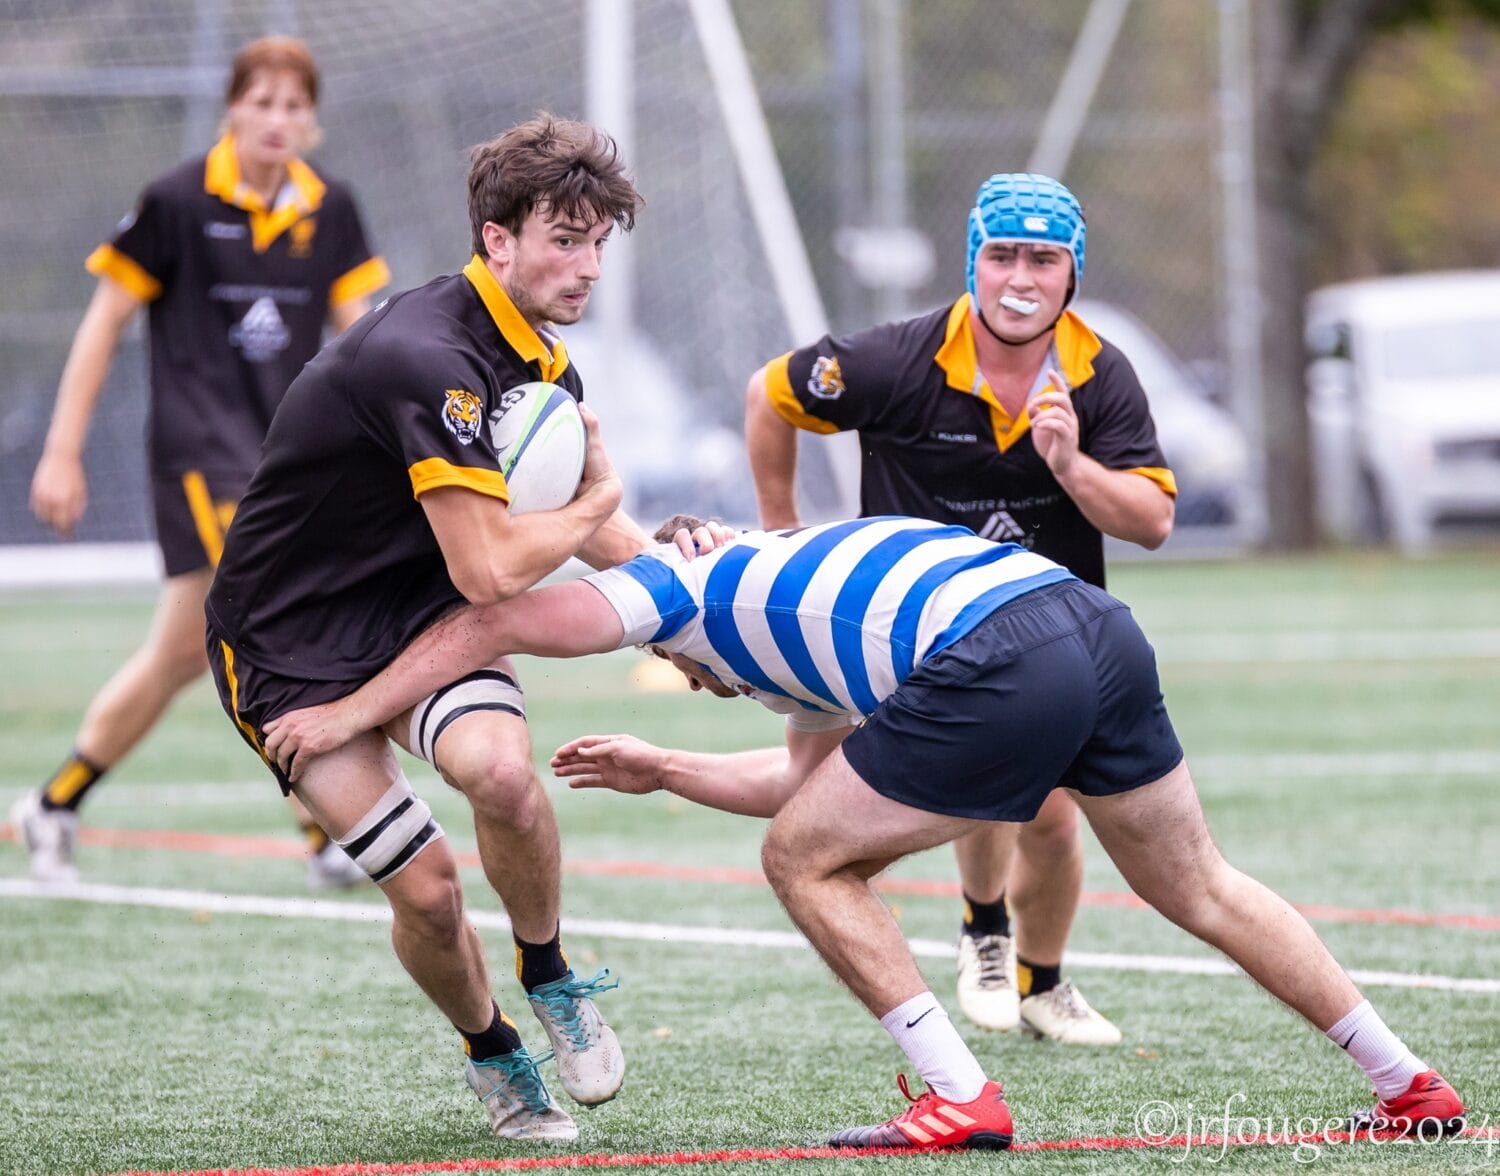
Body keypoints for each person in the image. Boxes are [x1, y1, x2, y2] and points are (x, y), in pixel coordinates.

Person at [257, 516, 1466, 1153]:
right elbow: (810, 780)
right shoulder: (801, 606)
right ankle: (1406, 1082)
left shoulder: (677, 588)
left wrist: (351, 713)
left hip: (999, 654)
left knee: (802, 867)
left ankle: (958, 1099)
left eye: (675, 679)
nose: (689, 683)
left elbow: (494, 626)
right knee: (1198, 883)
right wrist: (663, 766)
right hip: (1091, 626)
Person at [200, 114, 731, 1143]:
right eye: (562, 241)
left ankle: (549, 971)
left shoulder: (535, 358)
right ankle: (494, 1051)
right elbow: (494, 566)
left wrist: (685, 631)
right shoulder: (427, 356)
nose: (584, 268)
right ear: (497, 238)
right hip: (282, 647)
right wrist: (590, 507)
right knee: (432, 892)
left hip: (417, 610)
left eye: (596, 245)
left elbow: (582, 524)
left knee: (497, 771)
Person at [741, 173, 1178, 1044]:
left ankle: (1037, 978)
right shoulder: (898, 359)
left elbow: (1154, 522)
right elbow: (769, 396)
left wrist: (1070, 465)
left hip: (1055, 628)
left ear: (1072, 274)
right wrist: (779, 536)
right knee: (1030, 802)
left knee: (1051, 822)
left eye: (1044, 258)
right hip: (918, 629)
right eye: (1001, 254)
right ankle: (987, 934)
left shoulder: (1098, 375)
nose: (1020, 276)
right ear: (973, 261)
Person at [13, 35, 390, 889]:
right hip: (196, 457)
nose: (276, 119)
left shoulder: (330, 209)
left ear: (313, 123)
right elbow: (103, 322)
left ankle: (56, 802)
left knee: (182, 654)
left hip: (284, 464)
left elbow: (364, 343)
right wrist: (62, 452)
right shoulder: (177, 200)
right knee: (272, 623)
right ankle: (332, 827)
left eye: (294, 106)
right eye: (260, 101)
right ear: (231, 107)